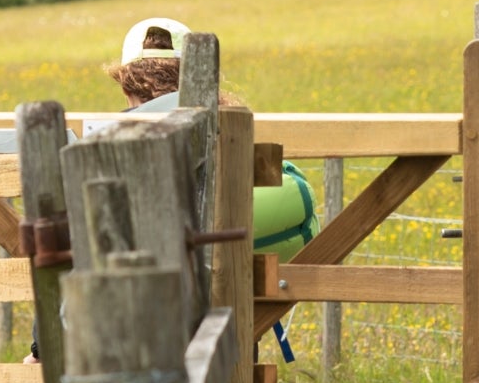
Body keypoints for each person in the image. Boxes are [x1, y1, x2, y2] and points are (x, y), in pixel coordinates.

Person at [104, 16, 319, 258]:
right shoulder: (229, 131)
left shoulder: (103, 145)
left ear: (125, 88)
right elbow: (298, 205)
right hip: (232, 285)